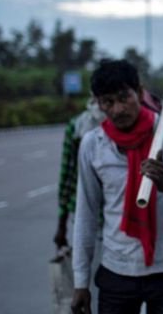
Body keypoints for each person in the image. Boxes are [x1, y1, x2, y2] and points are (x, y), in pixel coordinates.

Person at [71, 60, 163, 314]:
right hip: (116, 271)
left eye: (124, 98)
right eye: (107, 102)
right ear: (98, 103)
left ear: (139, 92)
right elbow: (85, 215)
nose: (118, 109)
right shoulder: (93, 143)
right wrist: (81, 283)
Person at [54, 99, 105, 250]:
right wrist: (61, 224)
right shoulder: (78, 126)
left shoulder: (130, 124)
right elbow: (67, 175)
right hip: (87, 215)